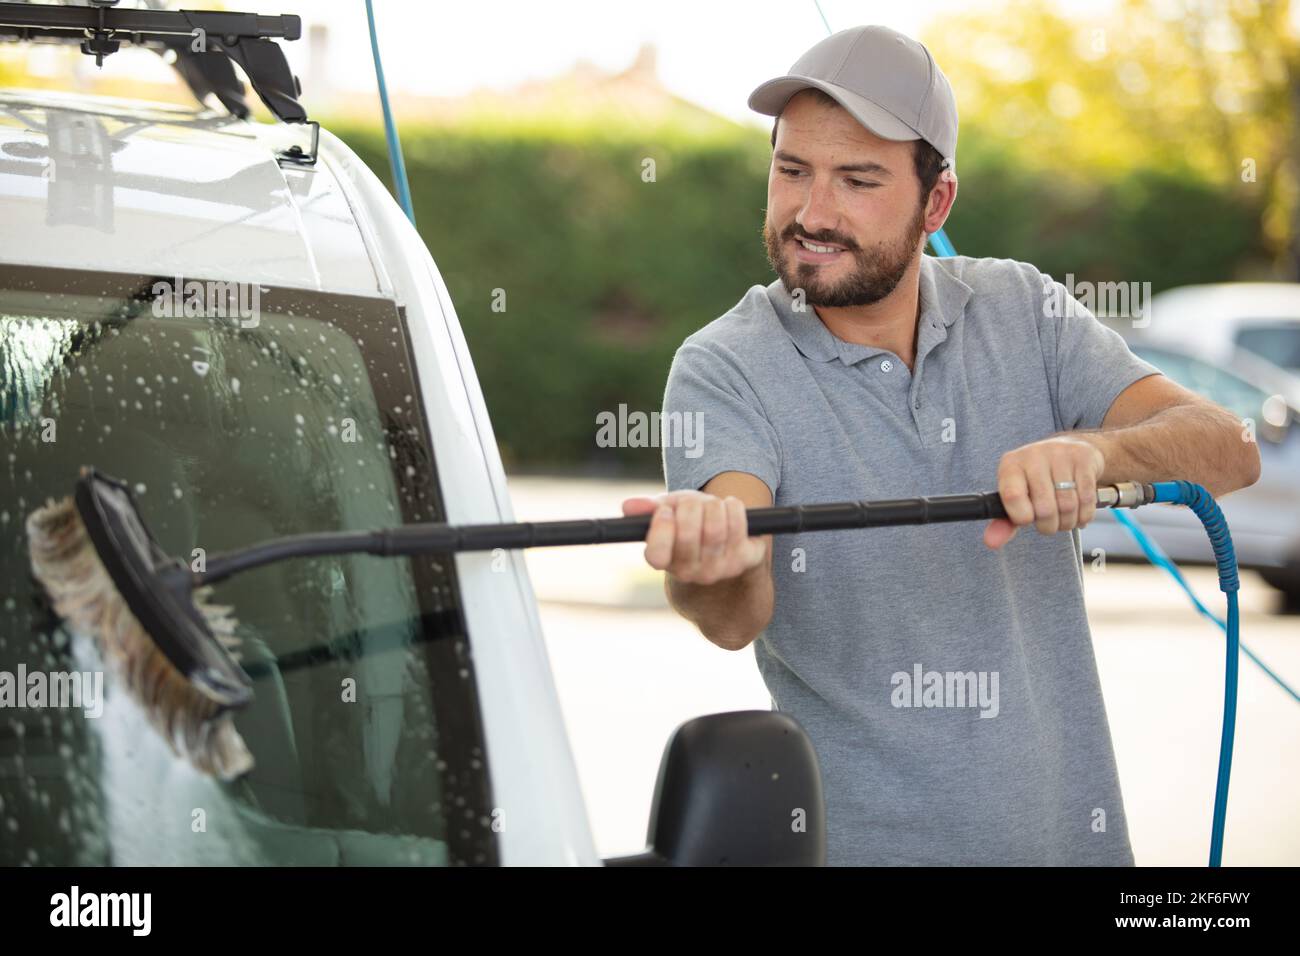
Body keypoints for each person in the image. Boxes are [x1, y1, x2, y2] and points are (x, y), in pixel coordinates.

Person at [622, 24, 1261, 865]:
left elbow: (1231, 447)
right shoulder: (724, 366)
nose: (813, 213)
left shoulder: (1022, 309)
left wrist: (1096, 455)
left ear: (937, 204)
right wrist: (711, 563)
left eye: (858, 181)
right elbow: (736, 609)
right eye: (791, 171)